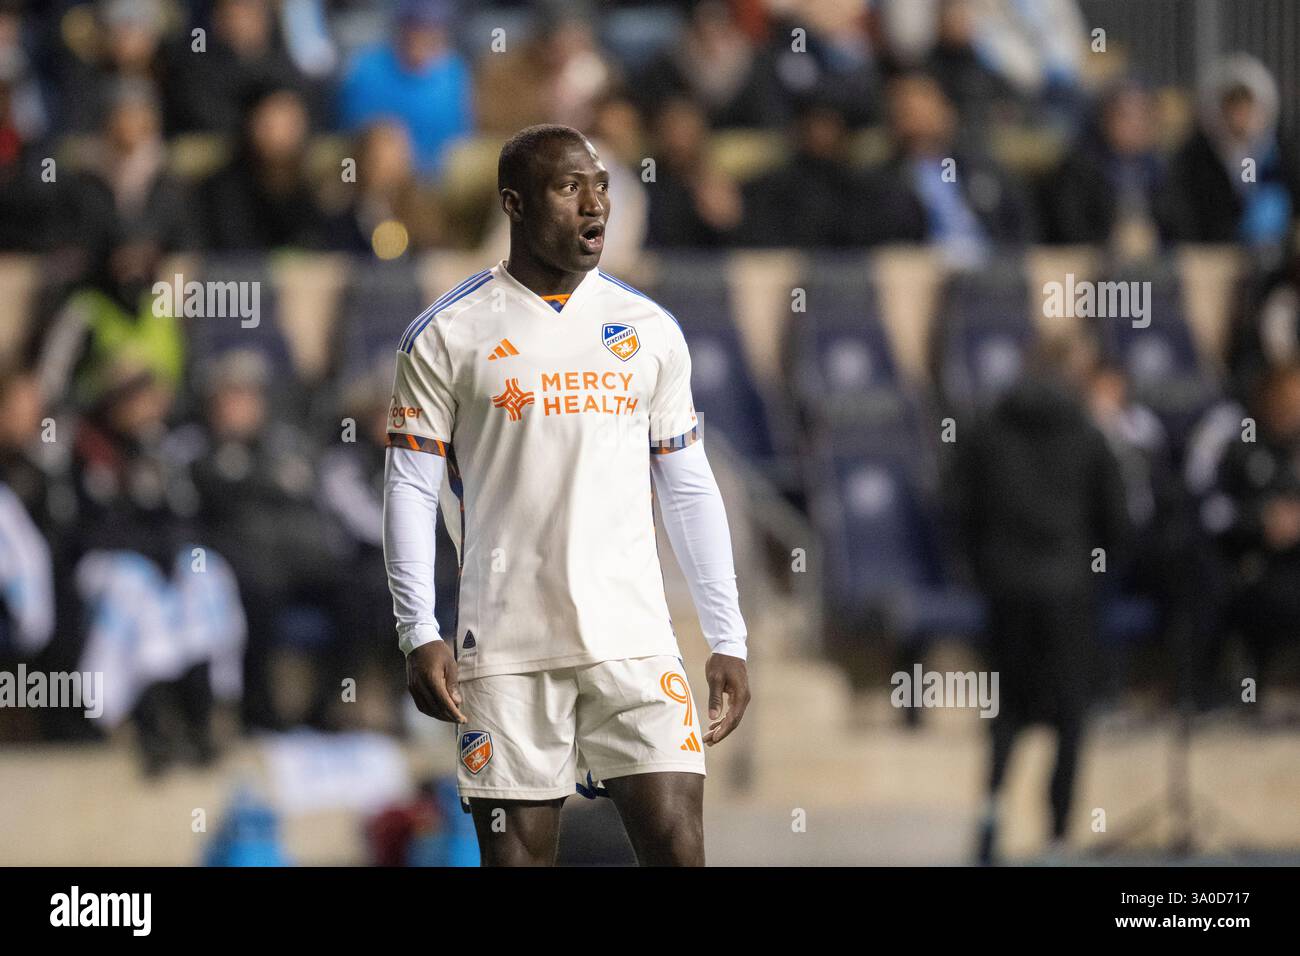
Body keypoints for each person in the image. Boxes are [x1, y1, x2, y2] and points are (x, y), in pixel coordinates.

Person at [384, 124, 751, 866]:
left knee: (681, 851)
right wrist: (416, 627)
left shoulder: (648, 331)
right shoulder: (449, 335)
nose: (595, 207)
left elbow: (686, 485)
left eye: (604, 187)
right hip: (509, 642)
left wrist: (727, 635)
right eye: (568, 188)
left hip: (635, 638)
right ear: (513, 204)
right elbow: (409, 487)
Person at [949, 335, 1131, 865]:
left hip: (1006, 593)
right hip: (1069, 594)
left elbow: (957, 510)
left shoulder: (985, 431)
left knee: (1006, 712)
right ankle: (1057, 836)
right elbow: (1116, 523)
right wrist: (1093, 569)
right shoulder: (1088, 434)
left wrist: (985, 573)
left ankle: (990, 817)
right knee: (1070, 714)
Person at [337, 0, 472, 178]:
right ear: (400, 27)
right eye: (414, 26)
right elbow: (349, 132)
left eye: (430, 27)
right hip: (371, 175)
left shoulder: (454, 73)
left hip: (435, 182)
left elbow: (460, 140)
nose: (420, 35)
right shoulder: (366, 68)